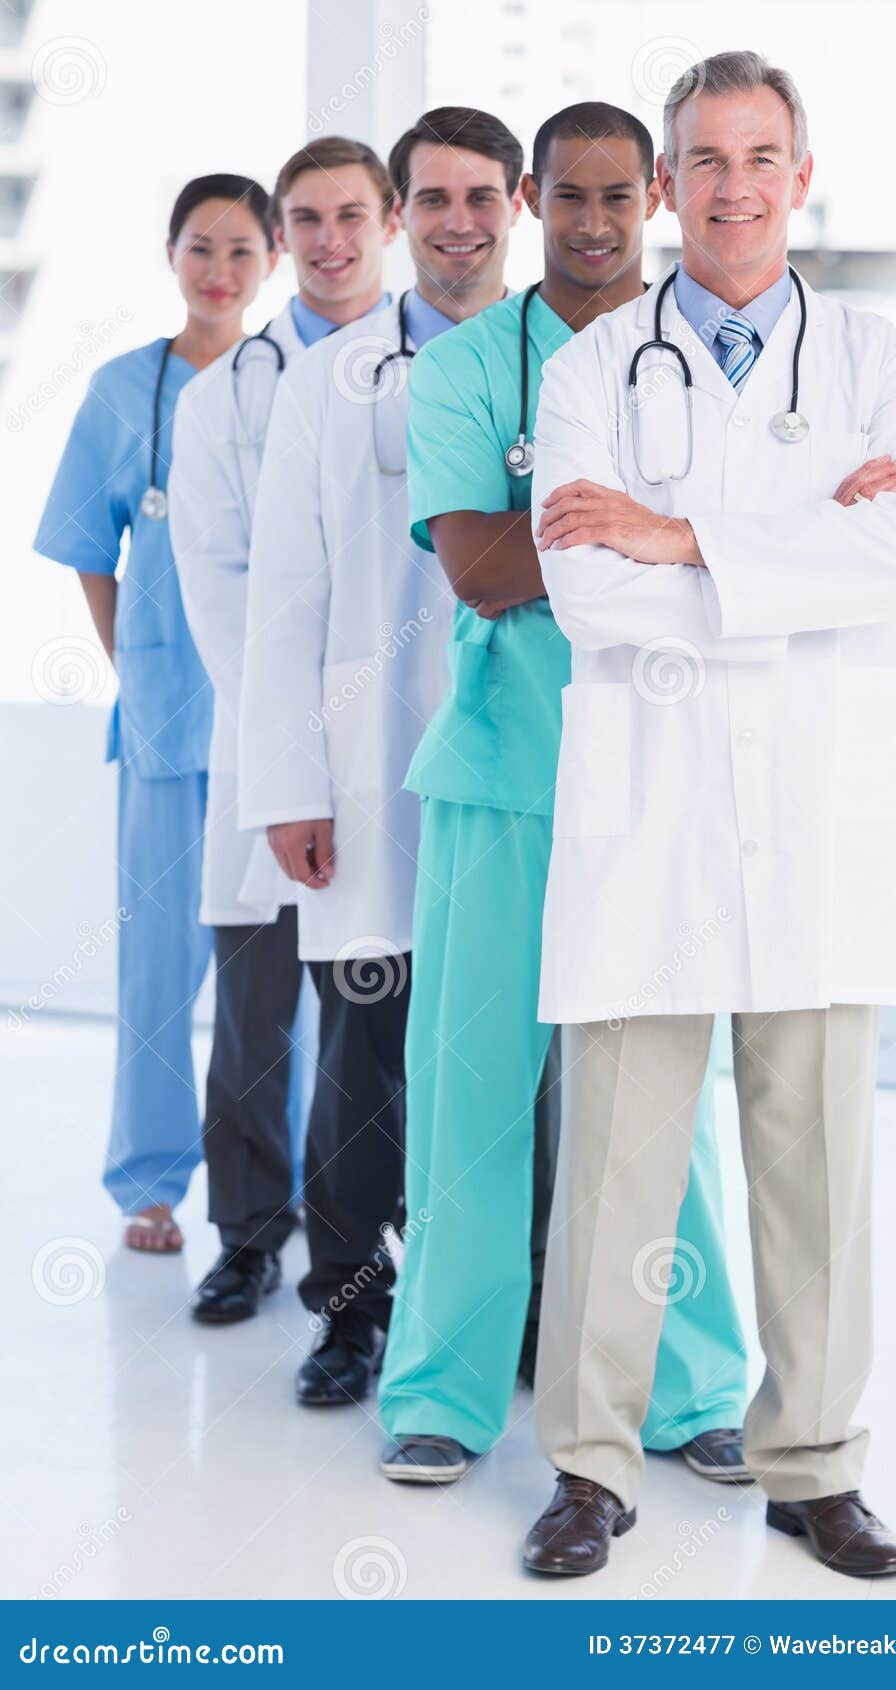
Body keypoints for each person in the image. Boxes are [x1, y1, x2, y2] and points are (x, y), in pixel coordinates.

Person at [523, 51, 896, 1578]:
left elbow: (892, 560)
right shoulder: (588, 372)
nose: (731, 187)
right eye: (701, 159)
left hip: (820, 817)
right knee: (616, 1164)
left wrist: (681, 537)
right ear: (664, 184)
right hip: (651, 815)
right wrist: (782, 557)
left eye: (758, 156)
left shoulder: (876, 362)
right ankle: (588, 1468)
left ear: (800, 172)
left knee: (816, 1161)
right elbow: (583, 592)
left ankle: (813, 1464)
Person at [378, 103, 754, 1491]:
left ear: (652, 193)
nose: (594, 222)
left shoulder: (703, 354)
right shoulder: (472, 364)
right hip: (502, 776)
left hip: (659, 778)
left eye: (618, 194)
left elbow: (758, 544)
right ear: (531, 198)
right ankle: (439, 1395)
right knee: (469, 1093)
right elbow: (475, 568)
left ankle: (691, 1386)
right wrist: (655, 537)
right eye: (570, 197)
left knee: (667, 1102)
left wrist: (633, 529)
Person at [238, 109, 523, 1407]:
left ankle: (514, 1309)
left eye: (479, 196)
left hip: (527, 770)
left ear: (512, 204)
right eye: (432, 199)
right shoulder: (328, 376)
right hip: (373, 777)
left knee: (523, 1056)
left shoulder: (567, 365)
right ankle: (351, 1312)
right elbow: (282, 598)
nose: (456, 221)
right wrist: (290, 782)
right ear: (401, 214)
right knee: (364, 1060)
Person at [168, 139, 401, 1326]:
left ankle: (359, 1265)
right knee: (255, 1020)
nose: (330, 240)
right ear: (285, 234)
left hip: (383, 761)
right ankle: (248, 1237)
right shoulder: (223, 397)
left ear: (389, 221)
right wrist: (291, 742)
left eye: (351, 215)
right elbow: (217, 584)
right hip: (268, 752)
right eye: (306, 219)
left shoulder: (427, 367)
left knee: (369, 1029)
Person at [34, 175, 276, 1254]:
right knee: (159, 960)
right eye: (200, 248)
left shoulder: (297, 381)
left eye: (239, 250)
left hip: (273, 723)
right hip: (170, 716)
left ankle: (292, 1177)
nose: (218, 272)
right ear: (170, 254)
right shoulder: (121, 390)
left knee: (287, 969)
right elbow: (92, 547)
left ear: (272, 257)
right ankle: (150, 1181)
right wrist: (136, 659)